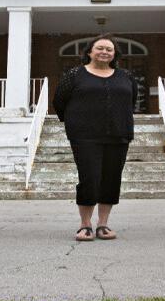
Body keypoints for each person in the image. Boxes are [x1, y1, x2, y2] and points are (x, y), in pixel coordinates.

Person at [53, 34, 138, 242]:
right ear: (90, 52)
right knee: (89, 178)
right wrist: (75, 122)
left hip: (118, 135)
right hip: (84, 136)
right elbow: (59, 101)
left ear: (114, 54)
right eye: (99, 48)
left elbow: (131, 101)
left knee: (111, 179)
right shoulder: (74, 74)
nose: (104, 52)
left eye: (109, 49)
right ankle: (85, 225)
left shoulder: (126, 76)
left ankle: (103, 224)